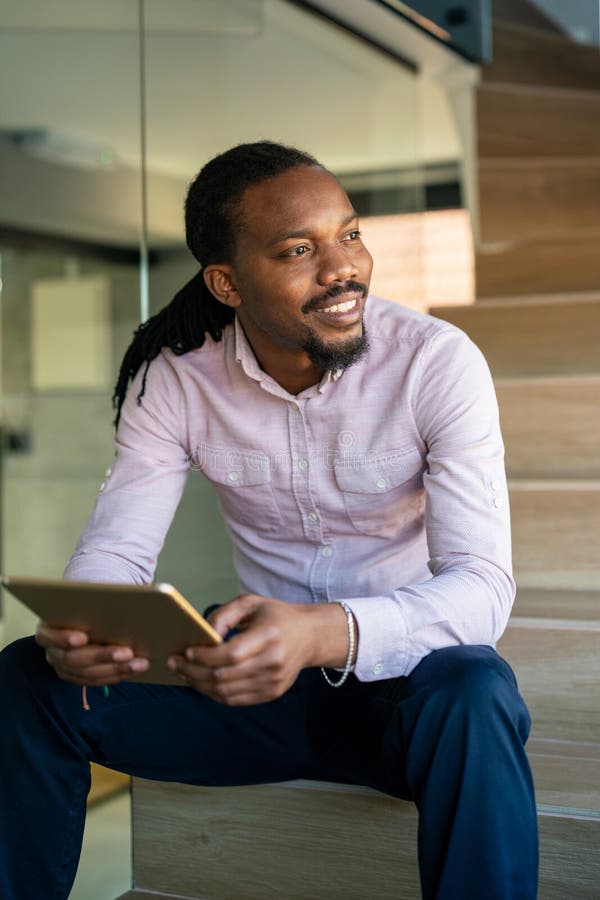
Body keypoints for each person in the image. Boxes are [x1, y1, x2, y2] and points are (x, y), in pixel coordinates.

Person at [0, 141, 538, 899]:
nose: (343, 267)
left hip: (401, 693)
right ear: (226, 282)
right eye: (299, 249)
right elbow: (119, 544)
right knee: (28, 672)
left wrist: (320, 631)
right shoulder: (176, 379)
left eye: (349, 234)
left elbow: (482, 590)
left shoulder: (435, 363)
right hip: (250, 692)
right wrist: (92, 626)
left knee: (477, 687)